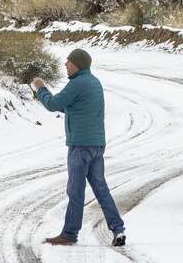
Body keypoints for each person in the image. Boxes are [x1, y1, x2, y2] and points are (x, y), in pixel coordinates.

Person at [31, 48, 126, 247]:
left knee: (76, 191)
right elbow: (73, 107)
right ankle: (118, 230)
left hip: (80, 146)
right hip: (96, 145)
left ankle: (69, 234)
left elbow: (54, 104)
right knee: (101, 188)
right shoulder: (94, 83)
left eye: (69, 61)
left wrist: (40, 88)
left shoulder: (78, 83)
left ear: (78, 64)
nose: (65, 64)